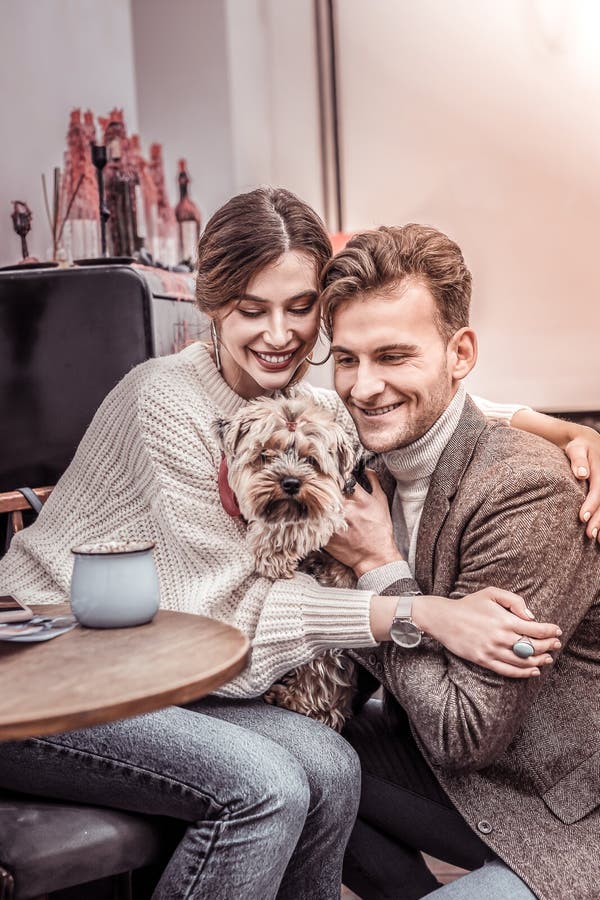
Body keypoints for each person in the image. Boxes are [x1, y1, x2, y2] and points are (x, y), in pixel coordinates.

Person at [0, 190, 598, 899]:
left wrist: (565, 430)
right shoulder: (161, 399)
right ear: (211, 305)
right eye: (252, 309)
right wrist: (415, 609)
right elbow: (233, 617)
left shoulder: (310, 401)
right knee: (268, 787)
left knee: (335, 766)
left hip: (157, 662)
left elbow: (418, 400)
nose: (280, 334)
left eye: (300, 307)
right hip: (47, 669)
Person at [317, 223, 600, 900]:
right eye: (347, 359)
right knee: (294, 767)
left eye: (393, 356)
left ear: (460, 351)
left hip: (555, 809)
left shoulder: (522, 489)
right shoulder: (360, 462)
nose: (363, 386)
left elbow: (464, 732)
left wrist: (379, 568)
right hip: (449, 777)